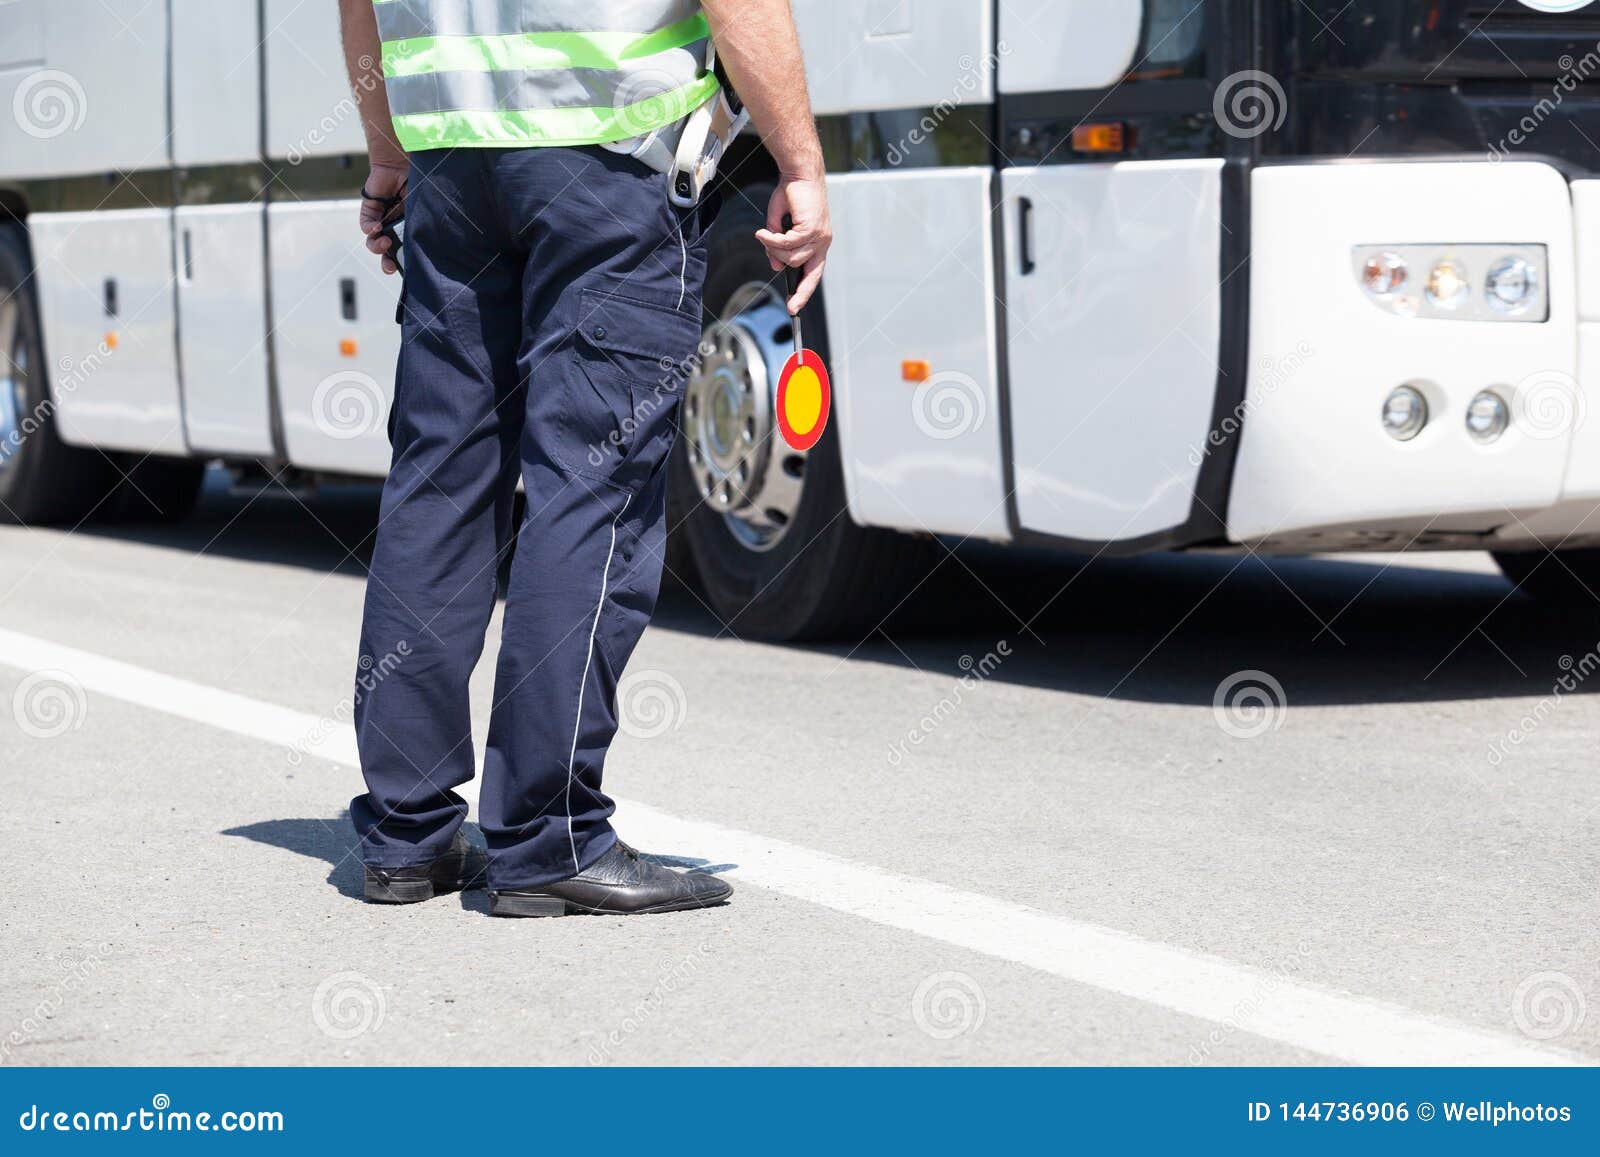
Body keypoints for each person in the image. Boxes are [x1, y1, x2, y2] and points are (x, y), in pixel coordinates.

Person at [336, 0, 831, 917]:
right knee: (589, 485)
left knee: (439, 482)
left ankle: (405, 834)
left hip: (452, 167)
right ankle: (546, 832)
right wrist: (798, 159)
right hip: (609, 166)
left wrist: (391, 156)